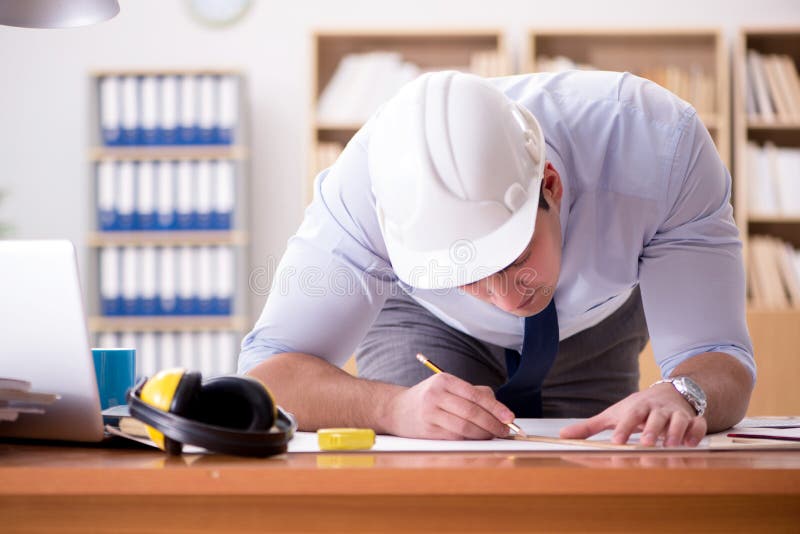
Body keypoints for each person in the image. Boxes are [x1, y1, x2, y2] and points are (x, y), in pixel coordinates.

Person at [239, 70, 755, 446]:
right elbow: (269, 375)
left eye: (514, 256)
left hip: (599, 320)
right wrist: (390, 407)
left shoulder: (661, 149)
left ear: (549, 184)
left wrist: (686, 393)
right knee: (431, 488)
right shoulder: (362, 195)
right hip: (429, 326)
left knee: (597, 480)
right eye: (468, 276)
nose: (506, 298)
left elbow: (718, 354)